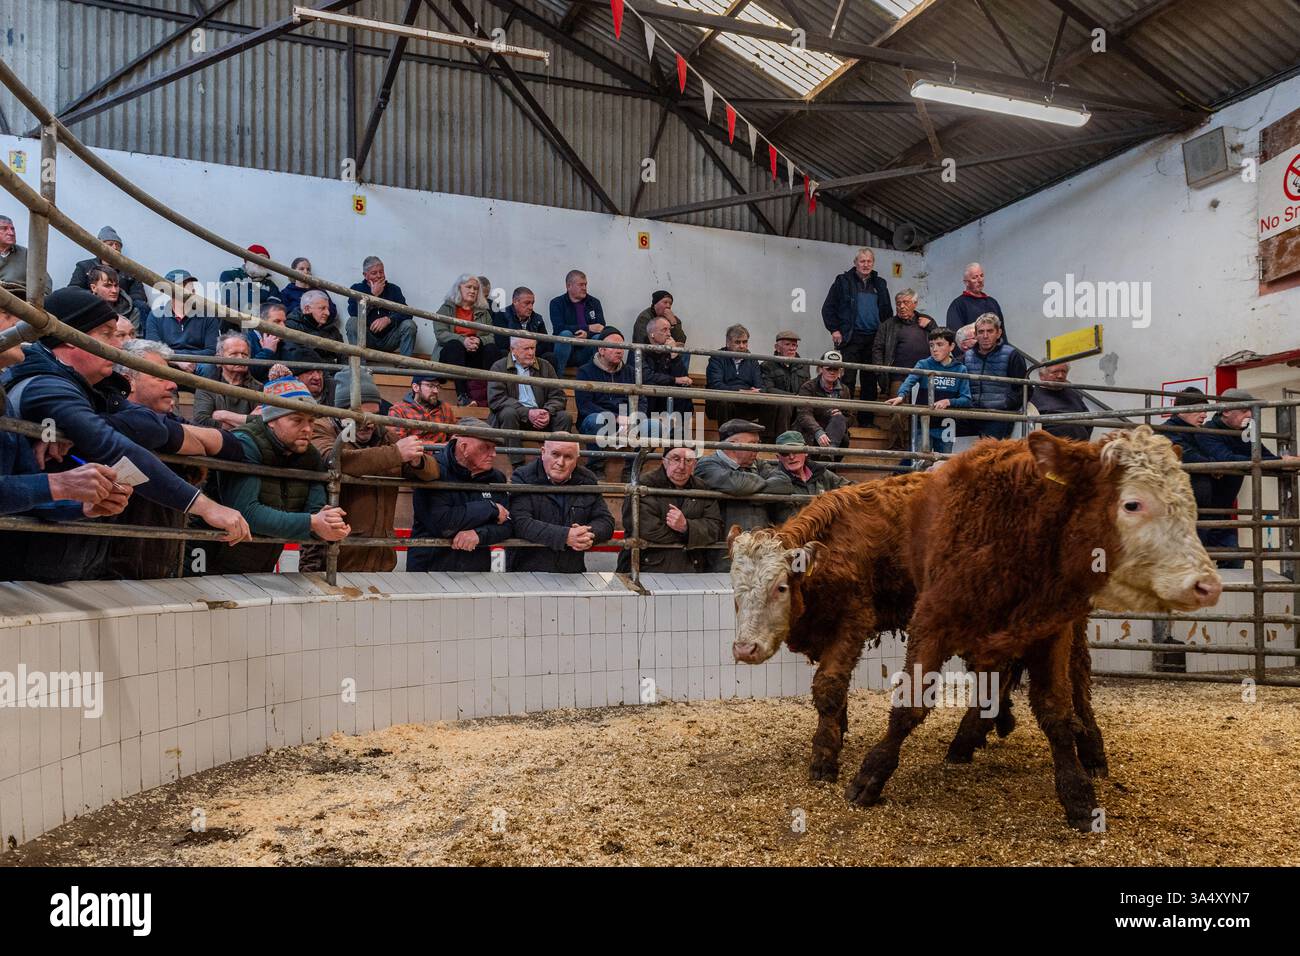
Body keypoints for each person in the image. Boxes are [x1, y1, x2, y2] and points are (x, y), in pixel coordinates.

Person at [1, 288, 248, 581]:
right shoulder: (47, 386)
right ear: (70, 337)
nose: (120, 346)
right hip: (31, 566)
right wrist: (203, 505)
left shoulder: (87, 390)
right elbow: (112, 448)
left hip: (59, 560)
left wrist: (77, 500)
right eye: (108, 334)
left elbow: (143, 425)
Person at [105, 339, 245, 580]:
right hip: (113, 557)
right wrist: (188, 441)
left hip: (161, 553)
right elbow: (151, 431)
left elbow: (231, 445)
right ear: (128, 381)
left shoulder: (168, 418)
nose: (173, 384)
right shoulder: (110, 416)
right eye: (159, 376)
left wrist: (176, 435)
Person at [0, 282, 130, 523]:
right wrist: (59, 484)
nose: (22, 324)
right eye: (8, 313)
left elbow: (23, 488)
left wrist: (81, 505)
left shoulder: (5, 400)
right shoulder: (40, 384)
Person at [299, 371, 440, 573]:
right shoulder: (321, 429)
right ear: (341, 412)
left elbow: (432, 472)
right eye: (360, 416)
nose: (369, 422)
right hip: (332, 559)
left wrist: (418, 461)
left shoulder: (384, 435)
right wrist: (397, 453)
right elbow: (335, 460)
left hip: (380, 559)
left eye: (374, 414)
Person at [208, 375, 350, 573]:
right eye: (297, 420)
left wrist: (328, 524)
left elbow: (315, 512)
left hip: (261, 559)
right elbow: (246, 512)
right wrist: (312, 522)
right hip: (214, 554)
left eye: (311, 420)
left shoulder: (309, 455)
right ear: (271, 420)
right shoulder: (245, 443)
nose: (307, 429)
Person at [1194, 388, 1300, 569]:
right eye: (1244, 410)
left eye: (1251, 410)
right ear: (1226, 411)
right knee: (1192, 563)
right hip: (1200, 512)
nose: (1250, 414)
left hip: (1222, 510)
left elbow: (1263, 456)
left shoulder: (1246, 432)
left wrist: (1283, 463)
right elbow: (1227, 460)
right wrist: (1277, 462)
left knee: (1234, 558)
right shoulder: (1208, 432)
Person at [407, 425, 513, 572]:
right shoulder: (434, 471)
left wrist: (479, 535)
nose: (493, 454)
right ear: (463, 448)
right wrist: (490, 508)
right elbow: (443, 524)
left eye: (494, 448)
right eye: (486, 448)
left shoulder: (496, 478)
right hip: (430, 568)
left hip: (476, 570)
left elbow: (507, 525)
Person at [693, 418, 793, 571]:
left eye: (758, 443)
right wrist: (758, 489)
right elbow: (737, 485)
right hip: (725, 554)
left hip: (760, 552)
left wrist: (747, 491)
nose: (757, 449)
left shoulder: (758, 464)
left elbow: (784, 483)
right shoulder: (707, 464)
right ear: (732, 444)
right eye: (752, 444)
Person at [508, 439, 615, 572]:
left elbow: (606, 521)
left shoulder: (587, 479)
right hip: (526, 572)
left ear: (577, 459)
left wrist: (588, 534)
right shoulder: (523, 476)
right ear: (543, 453)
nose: (561, 462)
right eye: (555, 454)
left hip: (572, 572)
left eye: (568, 457)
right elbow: (519, 522)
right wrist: (565, 536)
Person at [616, 446, 722, 574]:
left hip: (692, 569)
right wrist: (691, 535)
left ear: (694, 464)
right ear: (664, 461)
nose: (682, 466)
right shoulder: (644, 485)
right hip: (647, 568)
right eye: (675, 459)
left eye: (688, 460)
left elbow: (714, 528)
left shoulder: (702, 488)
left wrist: (686, 527)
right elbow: (646, 530)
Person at [820, 247, 891, 419]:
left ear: (873, 263)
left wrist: (885, 336)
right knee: (848, 379)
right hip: (850, 337)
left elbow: (887, 312)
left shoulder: (880, 284)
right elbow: (828, 308)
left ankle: (866, 421)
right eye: (862, 261)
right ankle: (845, 419)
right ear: (855, 263)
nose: (866, 264)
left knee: (870, 380)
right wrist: (834, 329)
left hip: (874, 339)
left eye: (869, 261)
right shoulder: (843, 281)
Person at [885, 327, 972, 455]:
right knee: (920, 460)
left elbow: (966, 399)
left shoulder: (960, 369)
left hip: (947, 424)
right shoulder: (923, 364)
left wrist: (948, 401)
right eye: (931, 345)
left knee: (943, 462)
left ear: (951, 346)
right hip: (923, 422)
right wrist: (901, 395)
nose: (934, 349)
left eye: (940, 344)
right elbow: (909, 381)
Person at [488, 336, 572, 466]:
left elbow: (558, 396)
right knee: (508, 413)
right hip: (515, 417)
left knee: (564, 417)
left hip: (541, 416)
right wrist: (527, 413)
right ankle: (517, 464)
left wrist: (547, 411)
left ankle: (555, 461)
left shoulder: (545, 366)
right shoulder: (499, 367)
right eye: (526, 349)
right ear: (513, 349)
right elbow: (497, 399)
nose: (531, 353)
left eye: (533, 348)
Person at [575, 328, 648, 473]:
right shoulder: (585, 371)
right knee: (595, 420)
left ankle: (632, 470)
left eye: (622, 347)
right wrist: (615, 417)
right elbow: (585, 405)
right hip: (600, 419)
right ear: (601, 350)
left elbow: (642, 401)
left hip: (628, 420)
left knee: (655, 426)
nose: (620, 351)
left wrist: (632, 418)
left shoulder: (631, 372)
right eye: (614, 347)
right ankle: (595, 468)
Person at [960, 313, 1026, 440]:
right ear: (976, 335)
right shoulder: (966, 357)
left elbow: (1024, 388)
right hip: (969, 415)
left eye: (990, 331)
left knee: (990, 451)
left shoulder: (1012, 355)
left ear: (999, 333)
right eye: (981, 332)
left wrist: (1007, 404)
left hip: (998, 417)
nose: (985, 336)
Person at [435, 274, 499, 406]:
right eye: (469, 287)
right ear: (459, 288)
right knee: (455, 345)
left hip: (474, 354)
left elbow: (491, 336)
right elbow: (441, 334)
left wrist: (479, 341)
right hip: (453, 356)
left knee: (492, 349)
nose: (473, 291)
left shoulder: (484, 312)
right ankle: (462, 396)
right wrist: (463, 340)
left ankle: (492, 396)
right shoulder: (446, 308)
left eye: (475, 288)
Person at [762, 430, 851, 522]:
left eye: (796, 450)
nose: (791, 457)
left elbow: (850, 487)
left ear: (806, 451)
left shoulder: (820, 472)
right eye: (785, 453)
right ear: (778, 457)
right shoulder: (775, 481)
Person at [705, 324, 771, 435]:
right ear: (728, 342)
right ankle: (726, 440)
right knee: (725, 402)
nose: (742, 346)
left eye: (744, 342)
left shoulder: (752, 360)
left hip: (746, 402)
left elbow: (760, 386)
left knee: (771, 402)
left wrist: (757, 391)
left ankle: (766, 442)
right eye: (737, 342)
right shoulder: (717, 358)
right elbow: (716, 386)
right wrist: (739, 391)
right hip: (721, 402)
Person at [69, 226, 150, 315]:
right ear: (100, 246)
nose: (115, 248)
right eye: (110, 244)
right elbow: (73, 290)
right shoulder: (84, 266)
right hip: (93, 306)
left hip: (124, 309)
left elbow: (139, 295)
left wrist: (121, 300)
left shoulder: (129, 270)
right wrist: (99, 295)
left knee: (141, 306)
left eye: (118, 245)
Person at [346, 255, 415, 356]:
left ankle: (405, 364)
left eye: (381, 272)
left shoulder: (394, 289)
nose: (379, 276)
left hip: (389, 339)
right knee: (352, 322)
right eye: (374, 273)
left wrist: (388, 319)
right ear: (365, 275)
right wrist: (372, 296)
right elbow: (353, 312)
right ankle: (359, 364)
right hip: (366, 340)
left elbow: (407, 313)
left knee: (409, 325)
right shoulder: (356, 289)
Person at [193, 332, 257, 430]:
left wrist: (224, 415)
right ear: (219, 358)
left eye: (245, 354)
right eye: (234, 354)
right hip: (216, 438)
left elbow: (262, 421)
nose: (241, 358)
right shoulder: (207, 386)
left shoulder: (257, 387)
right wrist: (244, 422)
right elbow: (201, 420)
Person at [548, 269, 606, 373]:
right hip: (566, 350)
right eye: (581, 285)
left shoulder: (594, 302)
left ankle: (594, 378)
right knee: (565, 334)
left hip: (587, 349)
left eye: (585, 284)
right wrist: (587, 328)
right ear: (569, 286)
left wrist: (587, 334)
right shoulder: (556, 303)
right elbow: (558, 328)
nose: (584, 288)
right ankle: (557, 378)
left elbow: (601, 328)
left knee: (598, 338)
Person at [793, 350, 851, 453]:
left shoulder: (844, 390)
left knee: (840, 421)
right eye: (828, 368)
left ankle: (828, 452)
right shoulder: (808, 387)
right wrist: (818, 432)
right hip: (812, 430)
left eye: (835, 369)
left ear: (840, 371)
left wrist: (841, 417)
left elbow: (850, 417)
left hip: (834, 432)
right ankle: (829, 452)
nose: (832, 372)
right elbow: (804, 414)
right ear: (820, 369)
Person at [642, 315, 692, 422]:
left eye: (669, 330)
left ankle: (678, 426)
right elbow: (646, 376)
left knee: (684, 392)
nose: (669, 334)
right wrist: (674, 380)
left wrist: (674, 355)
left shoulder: (669, 352)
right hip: (648, 399)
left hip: (666, 398)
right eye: (664, 330)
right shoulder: (639, 350)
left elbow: (684, 378)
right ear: (652, 334)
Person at [760, 330, 810, 438]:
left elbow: (807, 388)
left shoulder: (804, 365)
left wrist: (799, 399)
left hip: (798, 404)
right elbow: (768, 389)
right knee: (785, 405)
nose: (792, 348)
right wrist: (793, 397)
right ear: (777, 348)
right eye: (788, 344)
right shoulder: (767, 365)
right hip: (776, 406)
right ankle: (784, 442)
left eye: (794, 345)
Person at [1029, 362, 1093, 442]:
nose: (1060, 376)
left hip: (1079, 445)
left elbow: (1088, 419)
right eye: (1055, 372)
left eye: (1064, 372)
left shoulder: (1073, 393)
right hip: (1051, 446)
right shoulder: (1032, 395)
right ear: (1042, 376)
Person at [218, 243, 282, 323]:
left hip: (259, 325)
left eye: (266, 260)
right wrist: (258, 306)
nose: (263, 262)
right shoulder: (230, 275)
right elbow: (229, 299)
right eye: (260, 258)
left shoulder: (271, 286)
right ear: (248, 260)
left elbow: (274, 310)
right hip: (232, 323)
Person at [491, 286, 554, 367]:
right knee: (503, 353)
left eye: (532, 303)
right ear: (515, 301)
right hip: (513, 355)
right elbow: (501, 343)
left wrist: (529, 351)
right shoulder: (502, 315)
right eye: (527, 303)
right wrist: (522, 351)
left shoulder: (537, 319)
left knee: (550, 356)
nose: (531, 307)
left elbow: (545, 344)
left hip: (533, 355)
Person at [389, 373, 455, 444]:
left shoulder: (445, 408)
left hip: (442, 450)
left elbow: (454, 434)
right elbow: (398, 442)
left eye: (438, 386)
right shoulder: (399, 410)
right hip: (415, 451)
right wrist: (436, 446)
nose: (436, 391)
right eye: (430, 386)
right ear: (416, 387)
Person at [945, 262, 1005, 339]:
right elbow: (955, 335)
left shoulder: (992, 302)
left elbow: (1002, 332)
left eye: (982, 276)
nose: (980, 280)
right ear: (966, 282)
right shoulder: (958, 305)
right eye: (974, 277)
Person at [287, 289, 347, 361]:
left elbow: (344, 358)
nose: (328, 313)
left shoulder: (333, 330)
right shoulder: (291, 326)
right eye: (322, 308)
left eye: (328, 309)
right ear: (307, 309)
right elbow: (296, 355)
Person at [0, 214, 52, 294]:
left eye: (12, 229)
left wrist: (41, 297)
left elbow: (45, 282)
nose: (11, 233)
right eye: (4, 229)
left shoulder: (26, 254)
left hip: (22, 297)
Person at [85, 263, 142, 332]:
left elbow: (135, 338)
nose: (114, 291)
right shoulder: (83, 311)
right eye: (107, 286)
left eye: (116, 285)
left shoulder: (132, 311)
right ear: (93, 288)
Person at [279, 257, 337, 322]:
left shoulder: (319, 290)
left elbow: (333, 311)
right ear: (293, 271)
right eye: (301, 269)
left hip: (319, 325)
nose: (306, 272)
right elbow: (284, 314)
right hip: (296, 325)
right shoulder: (287, 292)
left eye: (308, 269)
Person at [244, 300, 289, 378]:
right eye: (277, 321)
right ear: (262, 322)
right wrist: (267, 351)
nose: (283, 326)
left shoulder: (283, 341)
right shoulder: (246, 341)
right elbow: (250, 374)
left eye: (284, 322)